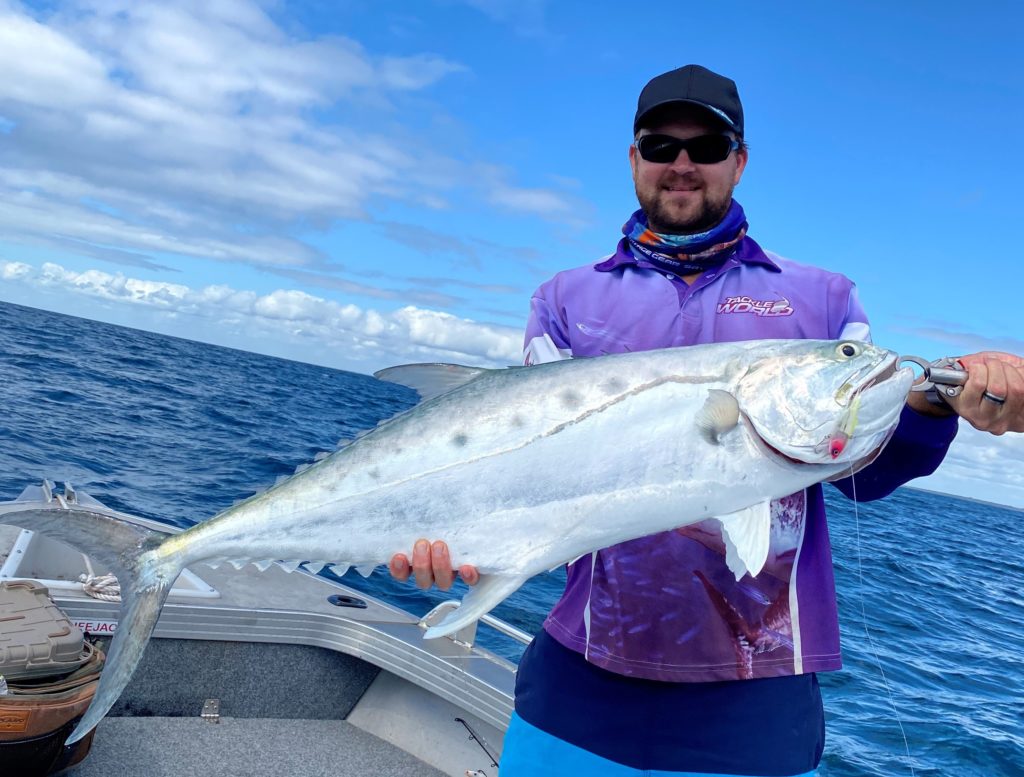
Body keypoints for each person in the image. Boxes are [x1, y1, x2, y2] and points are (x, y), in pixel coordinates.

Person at [389, 65, 1024, 776]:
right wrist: (456, 537)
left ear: (740, 161)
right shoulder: (565, 299)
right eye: (660, 146)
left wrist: (930, 403)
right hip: (577, 689)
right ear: (634, 160)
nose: (682, 164)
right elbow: (528, 469)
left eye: (708, 145)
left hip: (756, 710)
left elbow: (856, 470)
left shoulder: (822, 299)